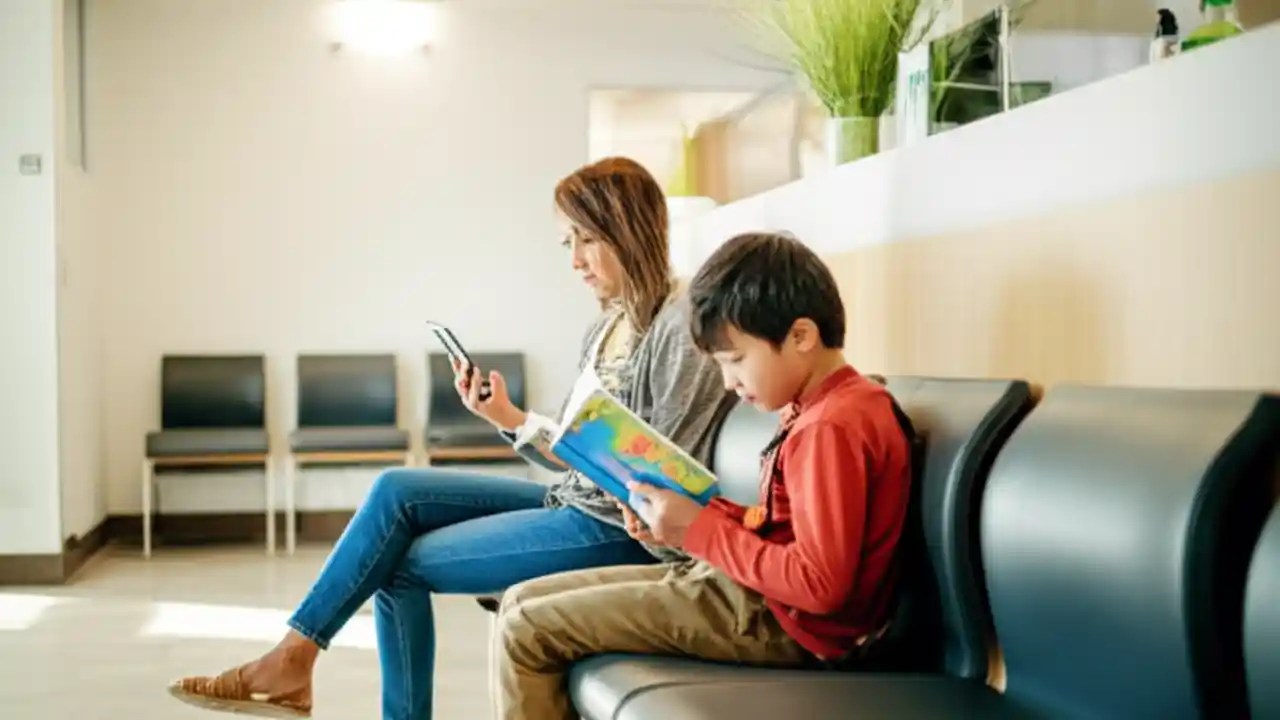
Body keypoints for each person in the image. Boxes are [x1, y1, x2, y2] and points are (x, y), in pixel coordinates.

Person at [166, 157, 735, 720]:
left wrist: (591, 462)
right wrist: (507, 416)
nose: (576, 261)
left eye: (587, 239)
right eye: (569, 243)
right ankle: (293, 657)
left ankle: (292, 666)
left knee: (395, 564)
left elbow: (660, 472)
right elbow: (573, 450)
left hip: (616, 528)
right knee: (396, 489)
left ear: (629, 228)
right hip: (573, 501)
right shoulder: (606, 326)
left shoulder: (678, 325)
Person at [494, 232, 913, 720]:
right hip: (762, 598)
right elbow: (786, 532)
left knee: (527, 627)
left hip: (785, 624)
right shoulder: (824, 407)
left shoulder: (830, 427)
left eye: (735, 361)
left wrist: (698, 529)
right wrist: (688, 518)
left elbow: (820, 584)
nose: (729, 383)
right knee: (520, 600)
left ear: (801, 336)